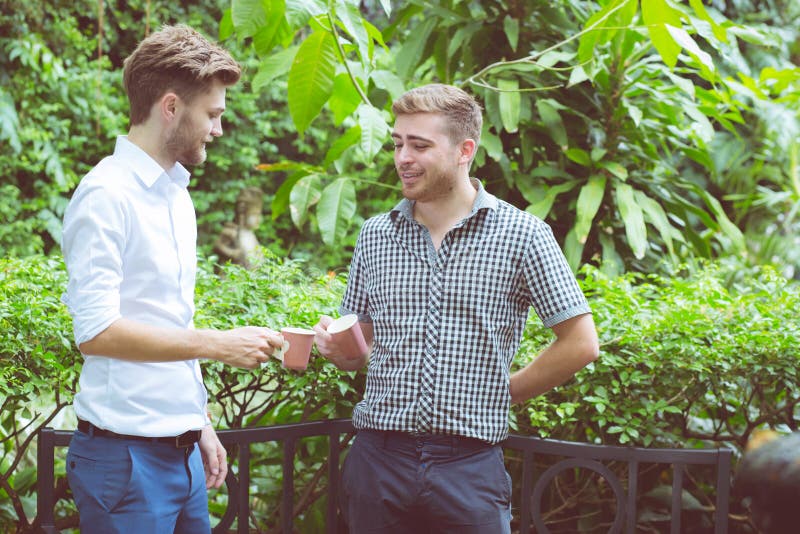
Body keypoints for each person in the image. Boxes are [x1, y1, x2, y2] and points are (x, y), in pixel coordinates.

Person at [313, 83, 600, 533]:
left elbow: (581, 343)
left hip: (469, 467)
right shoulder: (375, 235)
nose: (402, 157)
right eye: (398, 143)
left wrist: (504, 393)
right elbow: (358, 353)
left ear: (465, 150)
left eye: (419, 145)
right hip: (376, 461)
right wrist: (338, 349)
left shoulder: (522, 235)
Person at [60, 25, 283, 534]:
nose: (219, 129)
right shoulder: (105, 195)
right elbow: (95, 332)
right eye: (213, 114)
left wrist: (197, 422)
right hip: (125, 462)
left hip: (180, 453)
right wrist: (218, 344)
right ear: (170, 107)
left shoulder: (177, 196)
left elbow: (166, 316)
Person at [213, 186, 264, 269]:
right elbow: (217, 246)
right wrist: (232, 253)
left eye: (259, 214)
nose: (258, 218)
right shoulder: (232, 231)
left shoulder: (250, 234)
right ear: (243, 214)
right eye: (255, 214)